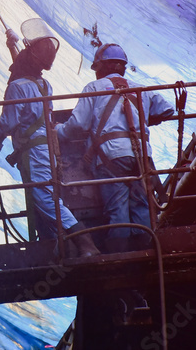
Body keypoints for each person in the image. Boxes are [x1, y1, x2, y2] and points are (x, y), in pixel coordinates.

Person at [0, 35, 100, 258]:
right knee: (47, 195)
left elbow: (8, 122)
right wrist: (12, 45)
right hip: (48, 149)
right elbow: (24, 72)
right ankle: (61, 244)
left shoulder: (16, 88)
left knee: (44, 198)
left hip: (33, 153)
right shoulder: (44, 85)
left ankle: (85, 243)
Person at [57, 43, 174, 253]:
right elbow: (167, 110)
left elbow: (77, 125)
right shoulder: (140, 88)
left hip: (111, 157)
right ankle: (146, 255)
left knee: (118, 212)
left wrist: (58, 131)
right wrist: (145, 118)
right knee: (142, 208)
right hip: (142, 159)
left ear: (100, 67)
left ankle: (121, 260)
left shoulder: (94, 88)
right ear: (122, 67)